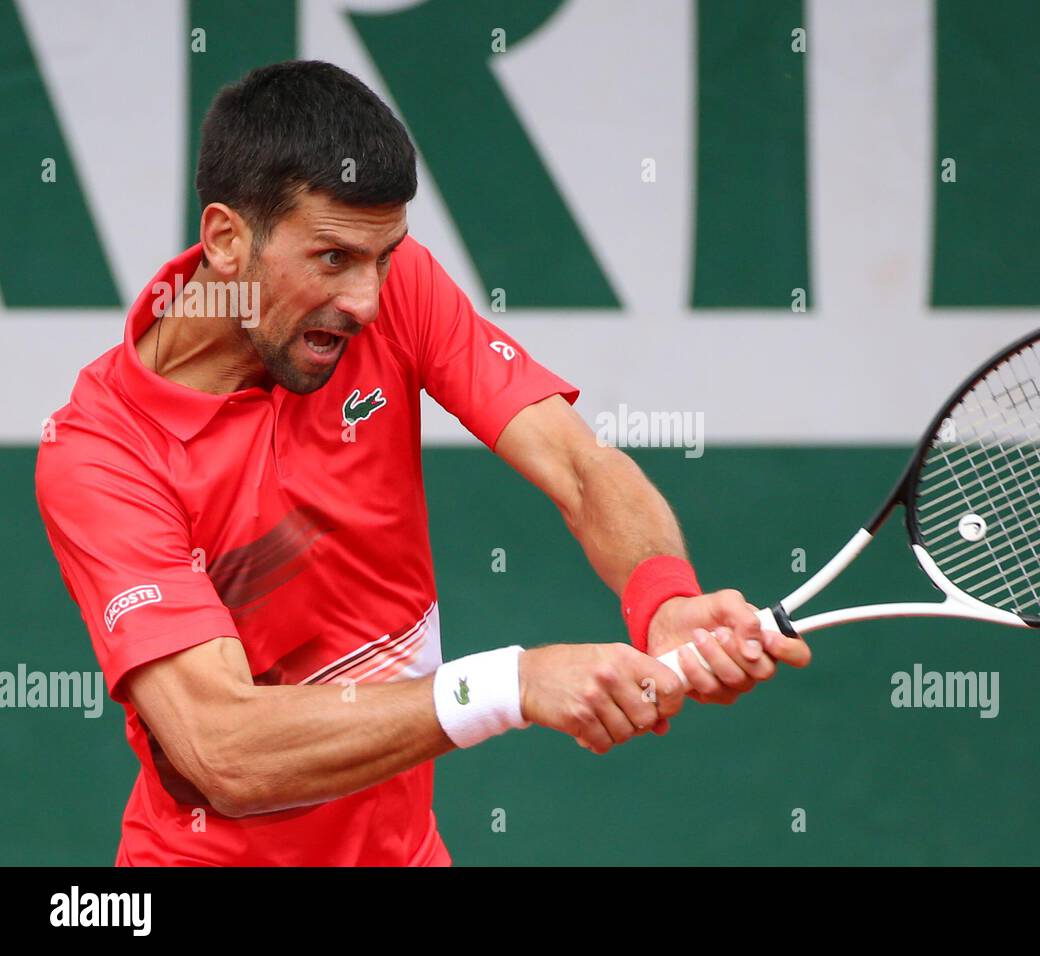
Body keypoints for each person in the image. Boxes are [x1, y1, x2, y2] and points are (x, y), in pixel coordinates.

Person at [34, 60, 810, 866]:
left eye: (384, 255)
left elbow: (579, 463)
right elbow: (222, 747)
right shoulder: (101, 458)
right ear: (227, 240)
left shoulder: (388, 289)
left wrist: (662, 597)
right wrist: (508, 686)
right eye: (331, 257)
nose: (367, 300)